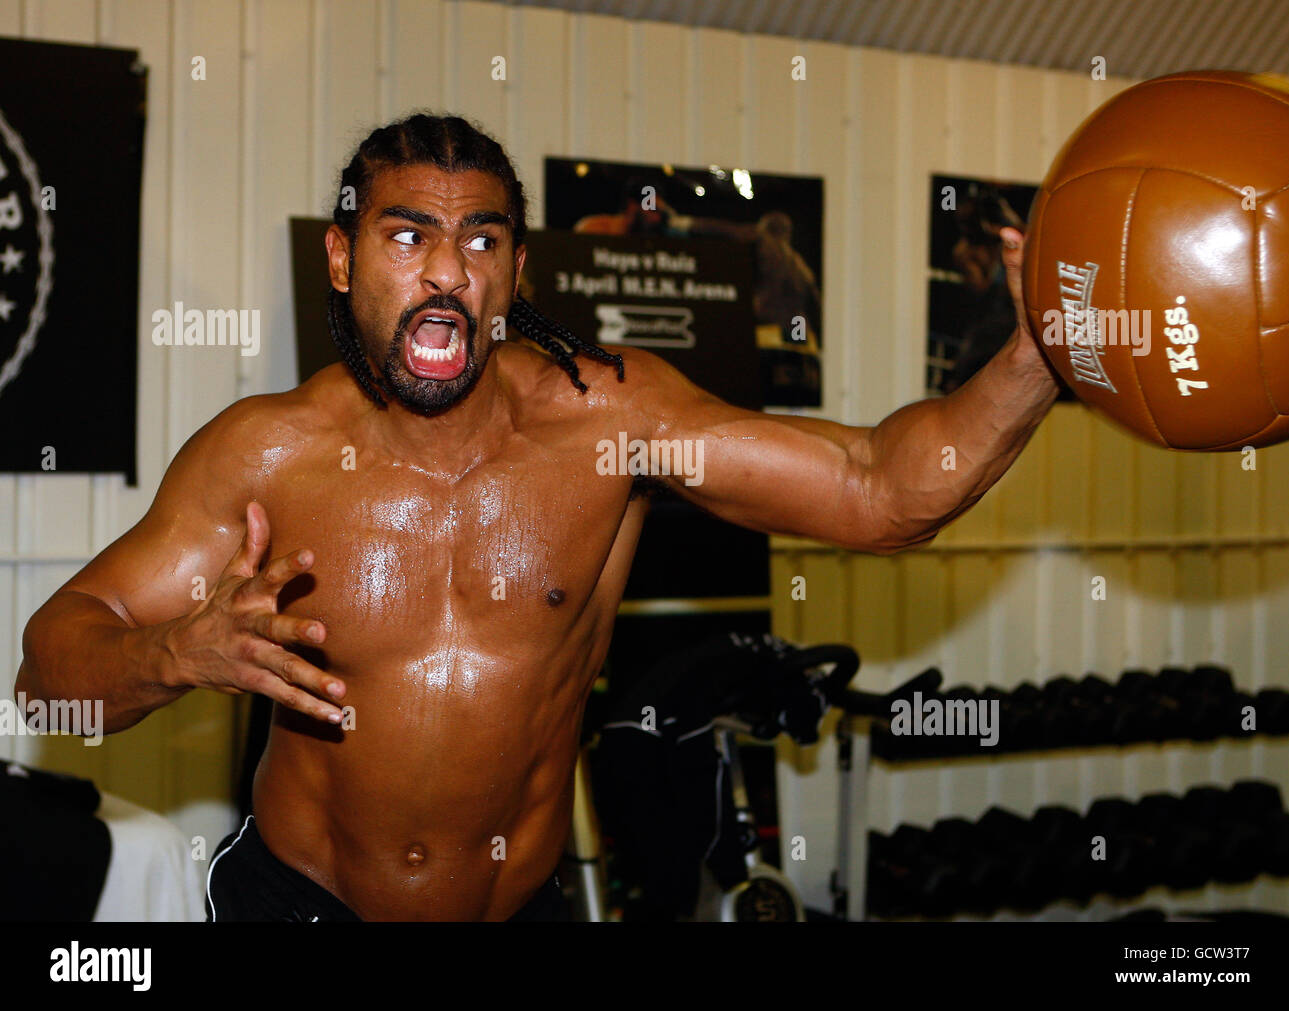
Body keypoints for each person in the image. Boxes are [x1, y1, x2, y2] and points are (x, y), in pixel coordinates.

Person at [15, 113, 1058, 921]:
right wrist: (174, 653)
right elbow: (48, 679)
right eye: (406, 234)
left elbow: (880, 490)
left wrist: (1035, 356)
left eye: (481, 239)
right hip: (299, 909)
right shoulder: (266, 453)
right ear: (342, 261)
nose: (444, 272)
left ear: (517, 272)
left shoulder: (613, 422)